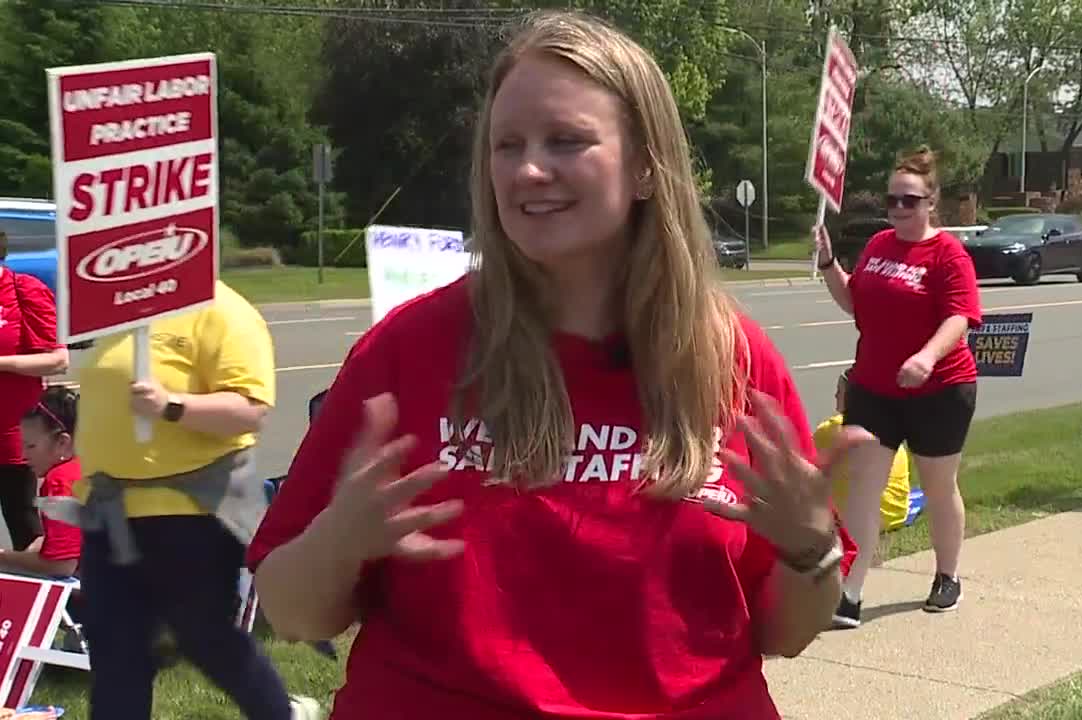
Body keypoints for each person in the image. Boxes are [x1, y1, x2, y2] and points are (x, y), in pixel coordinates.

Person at [247, 11, 869, 719]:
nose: (529, 169)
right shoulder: (407, 351)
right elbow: (292, 613)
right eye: (506, 145)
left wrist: (809, 548)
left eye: (566, 141)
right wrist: (340, 539)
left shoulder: (732, 361)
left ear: (644, 165)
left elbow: (785, 633)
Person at [71, 281, 319, 720]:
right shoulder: (120, 310)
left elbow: (249, 409)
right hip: (109, 515)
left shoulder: (223, 311)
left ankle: (278, 713)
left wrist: (172, 405)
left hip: (189, 517)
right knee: (115, 650)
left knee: (207, 640)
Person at [814, 146, 982, 628]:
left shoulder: (948, 253)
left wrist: (927, 357)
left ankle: (947, 575)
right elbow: (854, 302)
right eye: (892, 201)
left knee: (938, 485)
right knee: (865, 487)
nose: (899, 209)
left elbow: (960, 317)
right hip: (874, 387)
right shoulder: (879, 245)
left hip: (940, 390)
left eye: (910, 200)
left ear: (932, 202)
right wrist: (828, 264)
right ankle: (851, 592)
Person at [0, 230, 68, 552]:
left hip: (12, 436)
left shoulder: (22, 290)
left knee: (23, 523)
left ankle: (35, 596)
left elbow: (57, 360)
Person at [813, 366, 917, 533]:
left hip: (857, 519)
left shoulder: (831, 429)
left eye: (839, 391)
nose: (835, 396)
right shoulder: (890, 426)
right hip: (896, 515)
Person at [0, 385, 82, 577]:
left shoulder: (60, 481)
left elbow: (61, 566)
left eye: (30, 446)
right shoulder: (87, 465)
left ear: (62, 442)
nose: (23, 455)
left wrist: (4, 558)